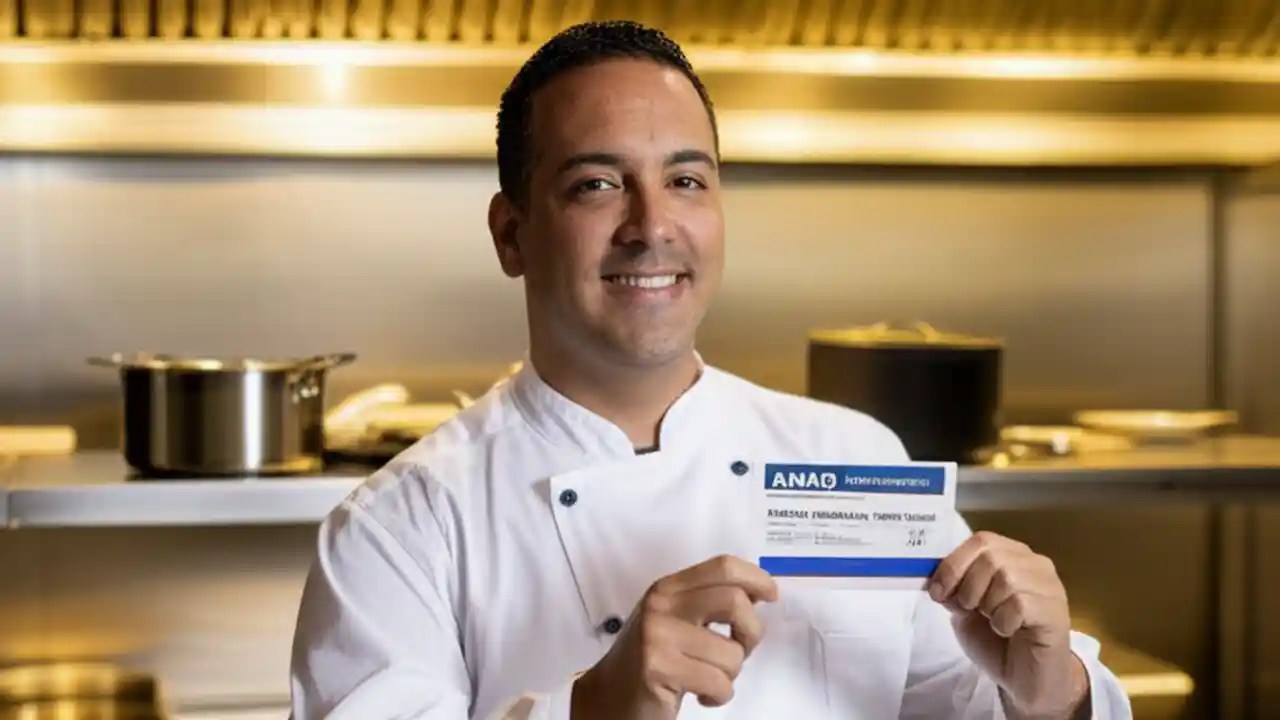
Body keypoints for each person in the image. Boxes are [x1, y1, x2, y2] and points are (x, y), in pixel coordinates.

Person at [290, 20, 1132, 720]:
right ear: (511, 234)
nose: (652, 225)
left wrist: (1051, 688)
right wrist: (590, 711)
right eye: (596, 185)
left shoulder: (854, 457)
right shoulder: (401, 526)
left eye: (685, 179)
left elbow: (960, 700)